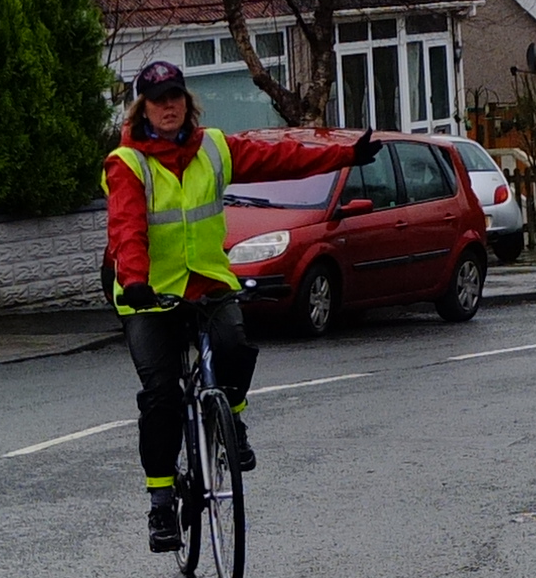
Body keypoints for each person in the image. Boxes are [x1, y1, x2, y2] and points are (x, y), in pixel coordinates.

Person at [105, 60, 373, 551]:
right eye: (159, 99)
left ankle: (234, 418)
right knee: (162, 397)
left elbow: (280, 158)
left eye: (176, 96)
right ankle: (161, 505)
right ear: (143, 107)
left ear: (187, 100)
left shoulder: (213, 147)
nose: (169, 107)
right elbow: (126, 228)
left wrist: (344, 156)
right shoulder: (127, 162)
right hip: (150, 297)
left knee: (233, 343)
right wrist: (136, 280)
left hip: (207, 282)